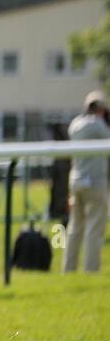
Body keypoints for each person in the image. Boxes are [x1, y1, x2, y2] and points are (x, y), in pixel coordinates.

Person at [63, 90, 110, 273]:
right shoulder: (98, 126)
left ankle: (69, 268)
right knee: (94, 228)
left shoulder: (75, 124)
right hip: (94, 183)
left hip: (75, 181)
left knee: (75, 228)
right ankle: (91, 270)